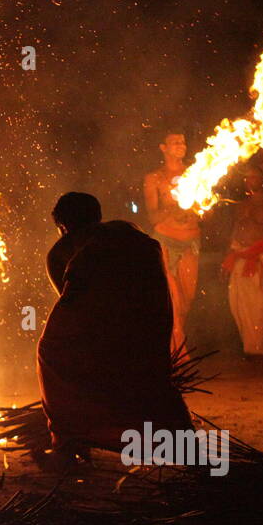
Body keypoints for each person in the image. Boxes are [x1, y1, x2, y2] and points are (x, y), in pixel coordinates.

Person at [36, 192, 194, 471]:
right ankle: (187, 445)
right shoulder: (128, 231)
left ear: (62, 224)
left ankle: (66, 445)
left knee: (51, 356)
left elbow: (71, 303)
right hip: (149, 324)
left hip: (106, 329)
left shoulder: (63, 250)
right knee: (155, 379)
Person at [143, 131, 201, 351]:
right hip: (166, 241)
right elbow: (152, 216)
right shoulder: (154, 178)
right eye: (175, 142)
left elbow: (207, 214)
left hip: (191, 242)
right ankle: (175, 354)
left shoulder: (196, 173)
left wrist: (199, 206)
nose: (181, 145)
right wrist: (174, 204)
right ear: (163, 148)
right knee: (172, 300)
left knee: (186, 301)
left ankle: (173, 346)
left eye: (183, 142)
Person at [223, 165, 263, 358]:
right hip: (240, 257)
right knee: (239, 306)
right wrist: (227, 259)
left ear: (261, 179)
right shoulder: (242, 204)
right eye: (247, 178)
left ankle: (262, 351)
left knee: (261, 308)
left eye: (254, 177)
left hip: (260, 260)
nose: (250, 181)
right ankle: (249, 349)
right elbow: (235, 231)